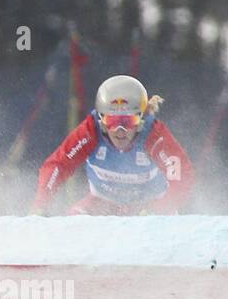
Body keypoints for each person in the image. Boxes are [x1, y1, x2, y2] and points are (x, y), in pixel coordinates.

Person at [32, 75, 194, 215]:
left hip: (150, 206)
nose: (120, 130)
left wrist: (160, 209)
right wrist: (41, 204)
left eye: (128, 121)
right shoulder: (91, 131)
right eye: (112, 121)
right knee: (75, 222)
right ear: (102, 120)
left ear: (140, 120)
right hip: (102, 203)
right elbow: (59, 164)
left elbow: (181, 176)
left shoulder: (153, 134)